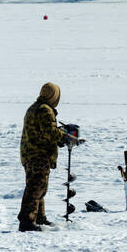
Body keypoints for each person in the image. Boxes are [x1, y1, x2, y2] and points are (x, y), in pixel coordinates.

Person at [18, 81, 75, 231]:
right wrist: (66, 137)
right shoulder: (45, 110)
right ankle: (26, 221)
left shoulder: (34, 108)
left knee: (39, 187)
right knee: (35, 188)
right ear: (53, 96)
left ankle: (39, 218)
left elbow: (43, 131)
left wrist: (60, 137)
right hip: (38, 154)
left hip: (30, 153)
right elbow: (50, 132)